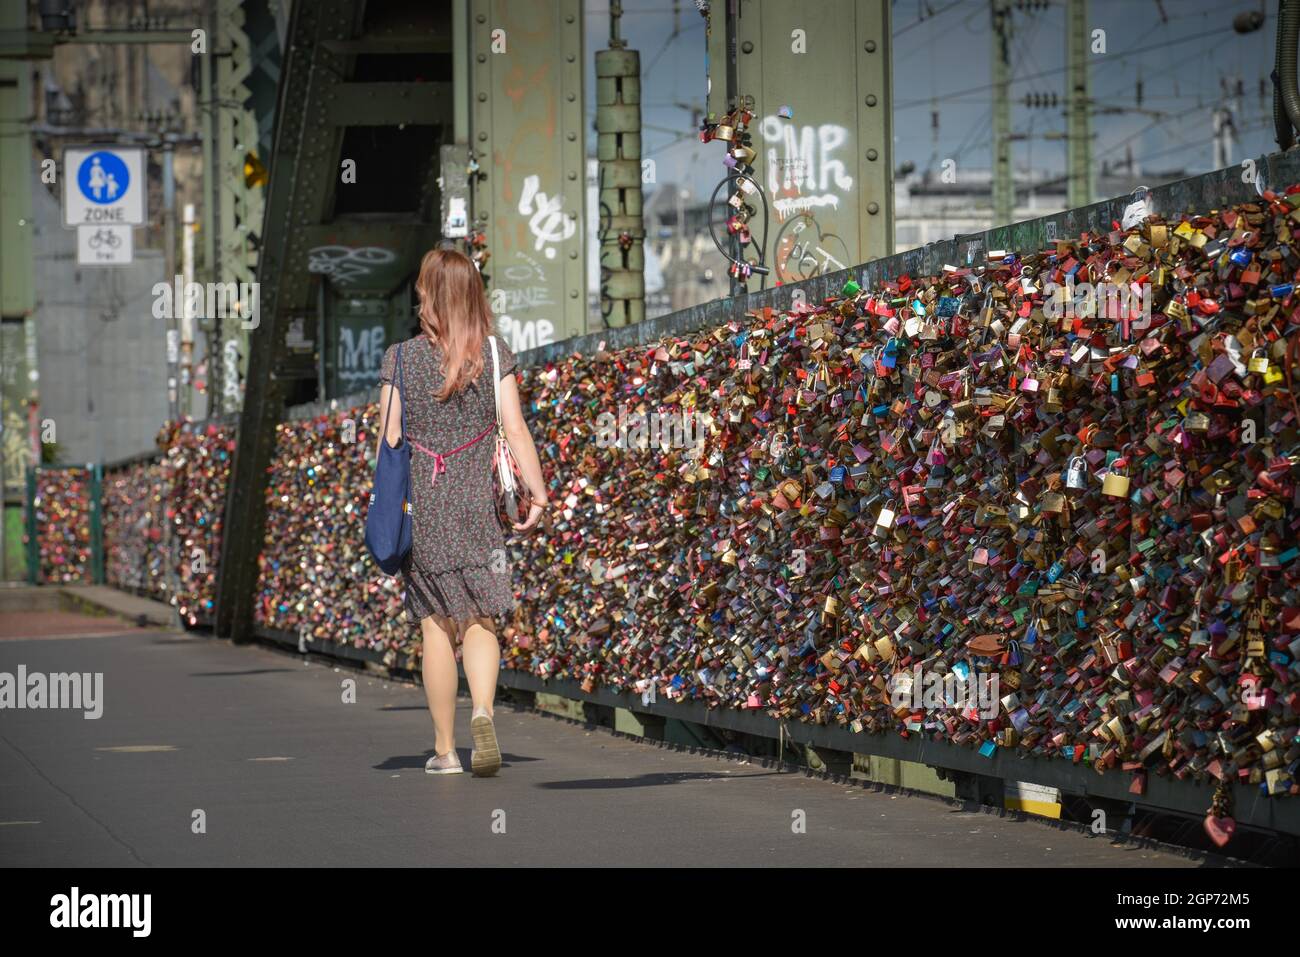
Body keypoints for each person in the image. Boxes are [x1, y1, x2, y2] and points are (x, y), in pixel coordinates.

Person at [375, 248, 547, 777]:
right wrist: (537, 493)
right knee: (480, 619)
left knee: (434, 627)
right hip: (477, 504)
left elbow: (391, 437)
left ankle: (446, 751)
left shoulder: (400, 359)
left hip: (424, 506)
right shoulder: (493, 354)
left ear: (426, 293)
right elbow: (514, 427)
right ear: (473, 293)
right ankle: (482, 712)